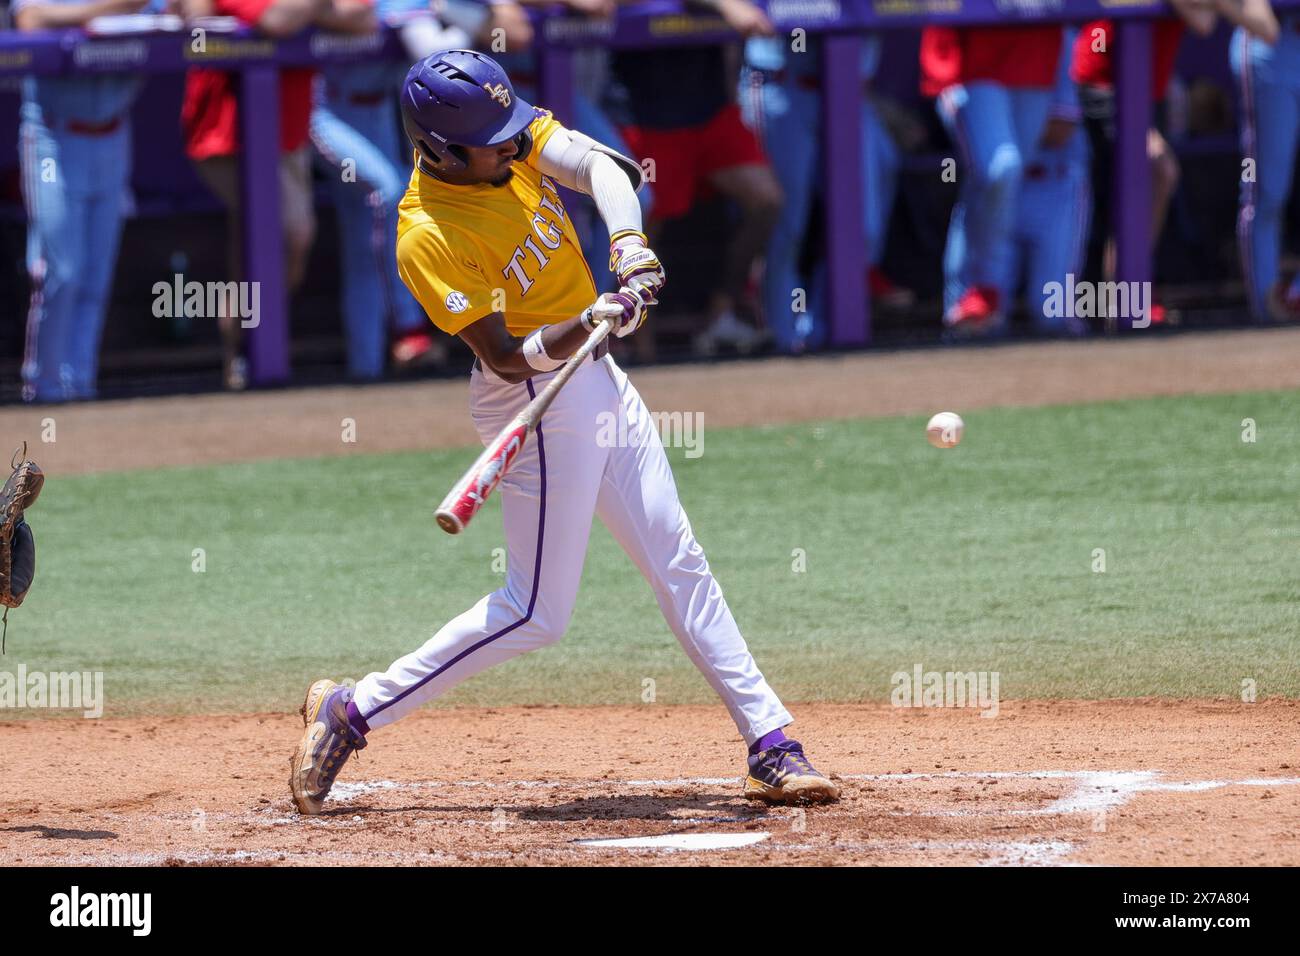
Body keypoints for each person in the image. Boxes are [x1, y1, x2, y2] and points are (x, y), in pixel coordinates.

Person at [288, 49, 838, 814]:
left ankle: (771, 743)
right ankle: (353, 711)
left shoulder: (503, 137)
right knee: (534, 613)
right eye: (496, 140)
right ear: (442, 150)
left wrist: (627, 244)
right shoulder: (427, 234)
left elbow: (607, 168)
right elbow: (506, 357)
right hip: (538, 404)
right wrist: (587, 320)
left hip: (596, 380)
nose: (516, 146)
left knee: (678, 559)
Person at [309, 0, 507, 378]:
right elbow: (439, 57)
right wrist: (468, 17)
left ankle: (364, 369)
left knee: (364, 238)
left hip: (378, 110)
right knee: (387, 193)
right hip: (328, 108)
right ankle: (409, 327)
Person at [180, 0, 370, 389]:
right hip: (226, 133)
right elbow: (276, 20)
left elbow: (365, 20)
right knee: (279, 233)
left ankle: (249, 346)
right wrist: (317, 12)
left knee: (283, 240)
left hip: (288, 128)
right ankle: (245, 349)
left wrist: (307, 12)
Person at [608, 0, 783, 356]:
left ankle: (721, 314)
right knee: (642, 228)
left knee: (767, 201)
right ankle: (636, 339)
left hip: (711, 110)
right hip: (649, 113)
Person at [14, 0, 161, 402]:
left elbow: (186, 14)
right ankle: (43, 386)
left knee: (97, 272)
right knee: (62, 268)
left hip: (113, 133)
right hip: (52, 134)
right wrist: (106, 11)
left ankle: (80, 382)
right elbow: (29, 20)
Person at [740, 33, 904, 354]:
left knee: (862, 227)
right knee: (786, 227)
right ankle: (784, 337)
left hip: (848, 89)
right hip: (780, 85)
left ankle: (822, 329)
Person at [922, 22, 1064, 336]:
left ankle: (974, 311)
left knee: (996, 187)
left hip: (1033, 50)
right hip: (968, 55)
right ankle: (984, 290)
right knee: (1001, 167)